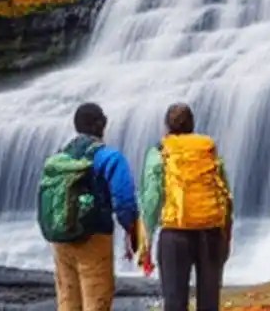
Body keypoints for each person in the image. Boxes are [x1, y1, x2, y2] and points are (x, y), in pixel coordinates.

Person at [38, 102, 140, 311]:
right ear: (100, 124)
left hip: (61, 236)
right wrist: (132, 229)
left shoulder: (60, 157)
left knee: (67, 300)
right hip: (93, 237)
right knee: (97, 299)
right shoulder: (109, 157)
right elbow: (124, 199)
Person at [136, 103, 234, 311]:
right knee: (209, 303)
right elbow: (225, 192)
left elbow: (152, 197)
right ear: (192, 125)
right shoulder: (208, 149)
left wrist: (145, 240)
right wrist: (226, 231)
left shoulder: (160, 151)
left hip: (175, 234)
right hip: (211, 231)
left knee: (175, 301)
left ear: (167, 127)